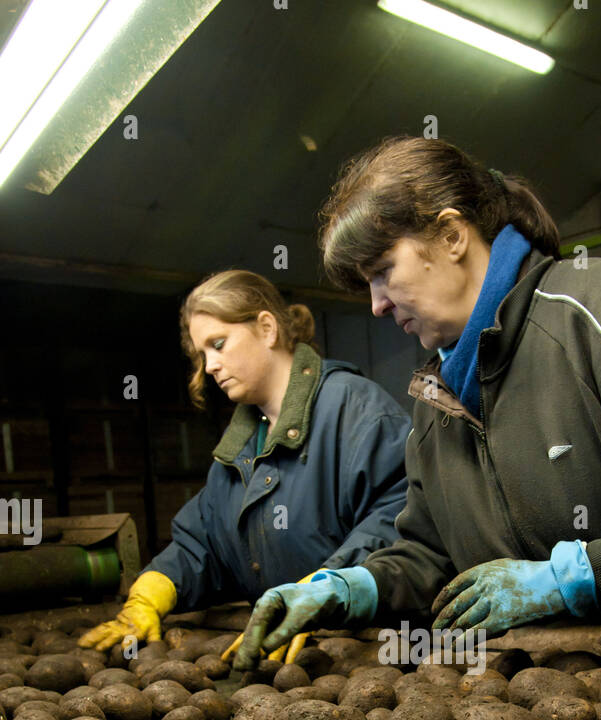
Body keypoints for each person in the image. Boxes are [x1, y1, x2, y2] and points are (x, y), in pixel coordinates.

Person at [232, 137, 601, 669]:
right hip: (586, 717)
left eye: (383, 271)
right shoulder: (434, 402)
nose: (377, 305)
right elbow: (433, 555)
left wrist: (583, 574)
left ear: (451, 234)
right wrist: (352, 587)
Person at [79, 269, 411, 655]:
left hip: (369, 649)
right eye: (202, 354)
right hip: (282, 658)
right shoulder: (240, 447)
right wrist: (152, 591)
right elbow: (204, 542)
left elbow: (402, 513)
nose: (209, 367)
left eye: (218, 344)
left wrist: (327, 589)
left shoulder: (356, 411)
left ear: (267, 328)